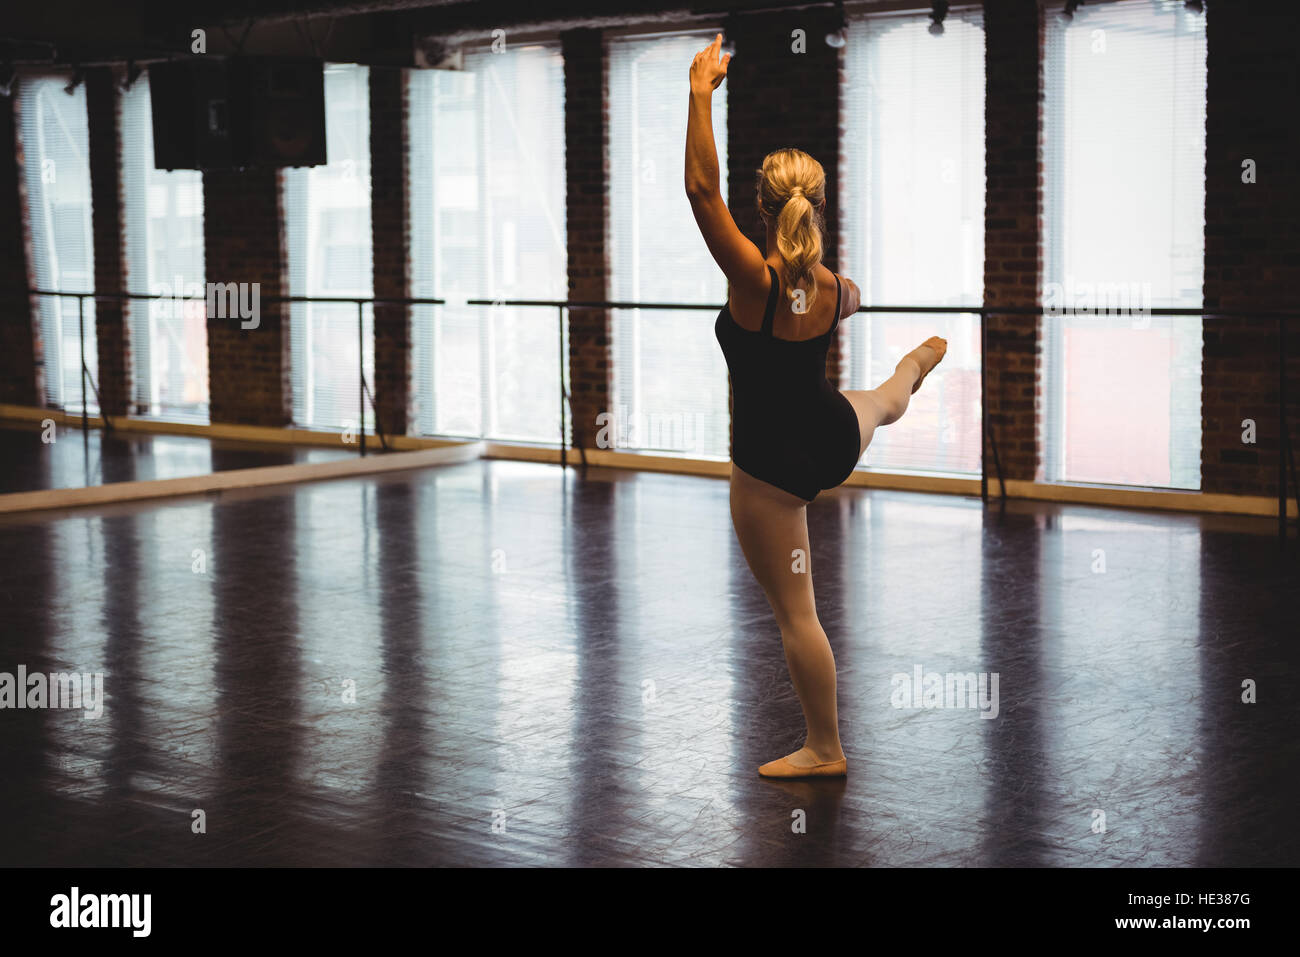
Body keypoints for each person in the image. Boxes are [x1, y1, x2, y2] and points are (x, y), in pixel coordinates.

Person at [685, 34, 947, 779]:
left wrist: (701, 91)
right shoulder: (831, 289)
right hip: (830, 436)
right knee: (884, 400)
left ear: (763, 208)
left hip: (770, 473)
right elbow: (846, 297)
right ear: (815, 205)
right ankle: (916, 367)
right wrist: (845, 300)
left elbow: (703, 194)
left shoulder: (753, 279)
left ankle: (825, 749)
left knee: (795, 611)